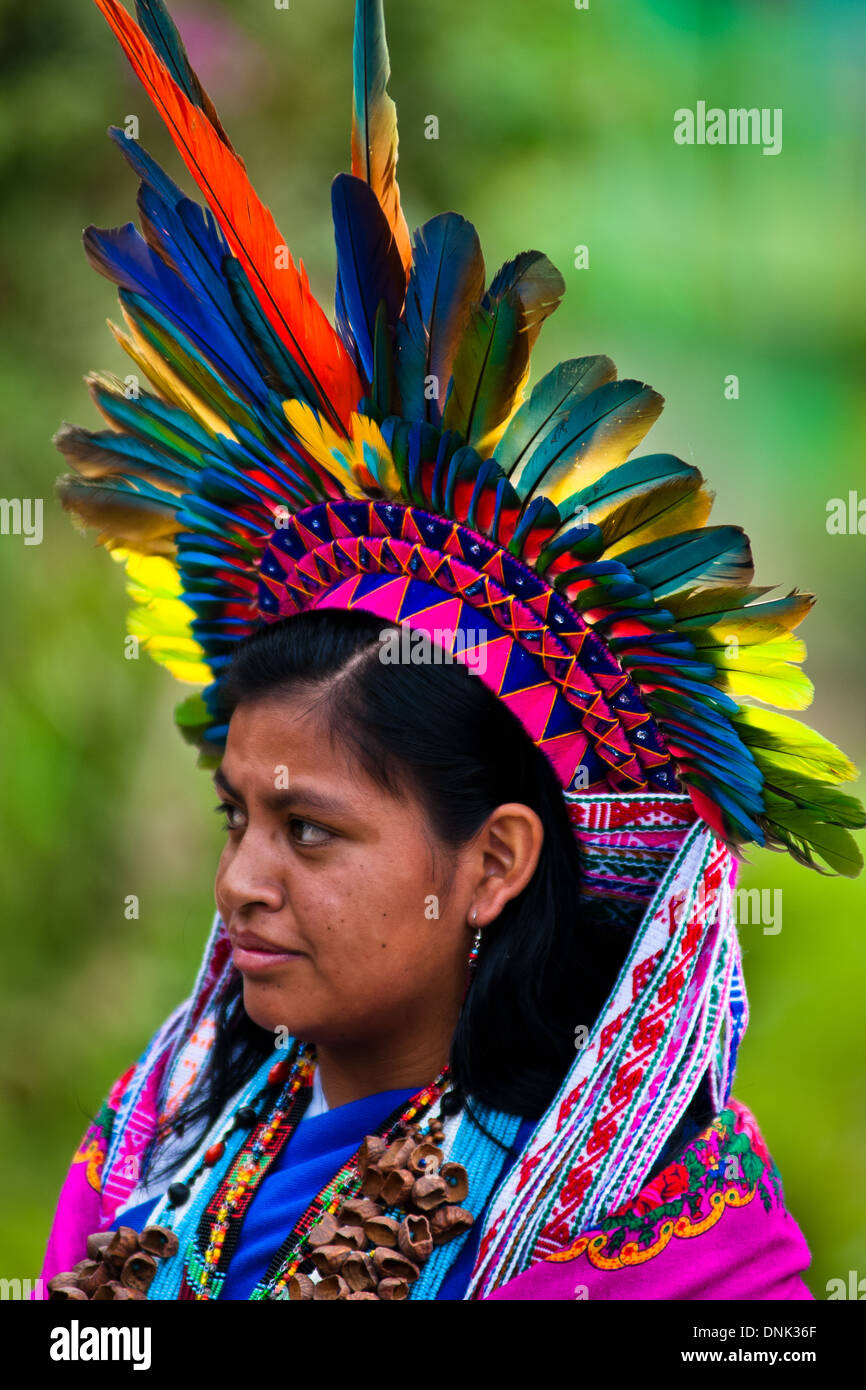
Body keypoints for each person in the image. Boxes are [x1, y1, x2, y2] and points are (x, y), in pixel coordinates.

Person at [41, 0, 863, 1300]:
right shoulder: (152, 1150)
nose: (241, 881)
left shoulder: (663, 1242)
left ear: (491, 863)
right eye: (236, 816)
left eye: (308, 831)